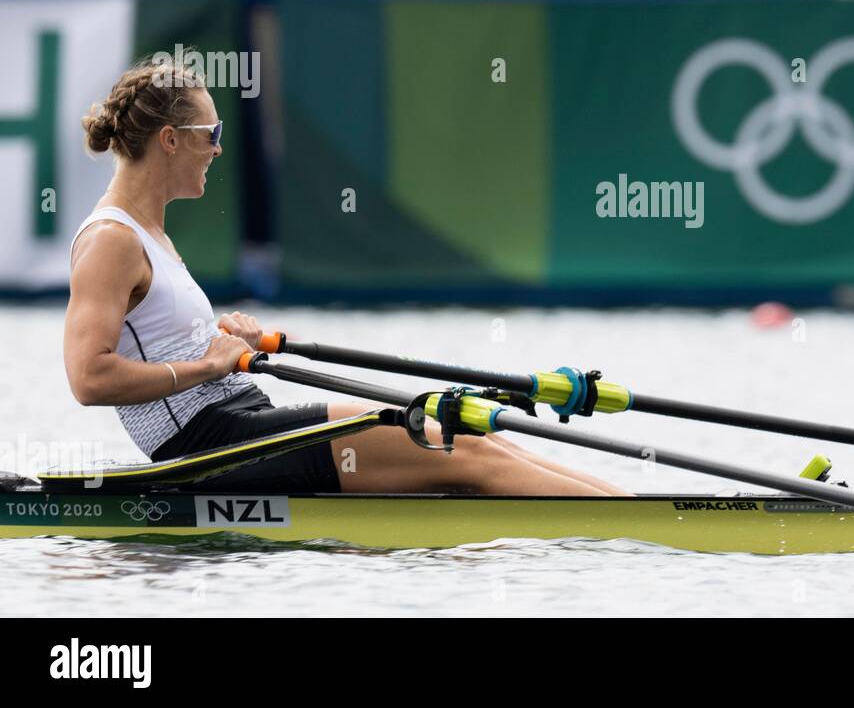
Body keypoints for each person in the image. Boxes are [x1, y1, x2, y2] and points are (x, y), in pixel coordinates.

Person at [64, 56, 622, 496]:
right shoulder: (111, 240)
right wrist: (204, 364)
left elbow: (174, 345)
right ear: (169, 139)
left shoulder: (150, 233)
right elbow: (89, 378)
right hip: (205, 446)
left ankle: (637, 513)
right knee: (455, 444)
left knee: (471, 433)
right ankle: (650, 533)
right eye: (211, 133)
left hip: (241, 415)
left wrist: (238, 345)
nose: (218, 147)